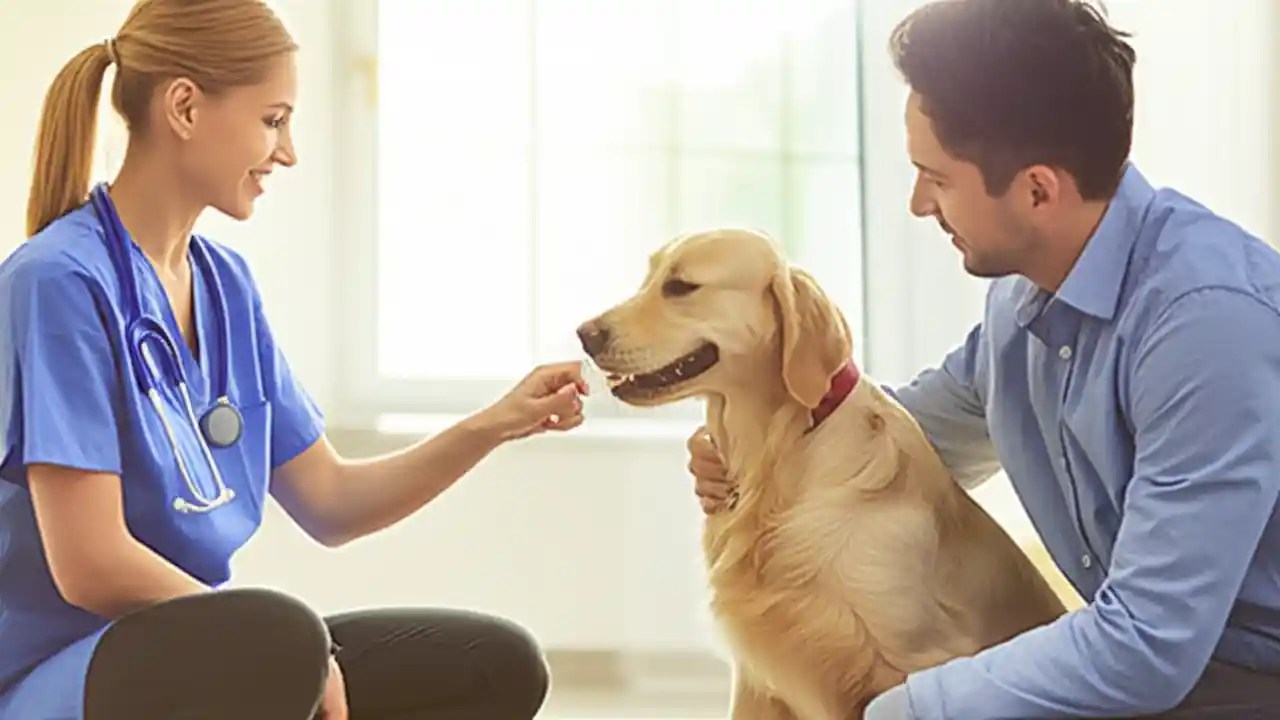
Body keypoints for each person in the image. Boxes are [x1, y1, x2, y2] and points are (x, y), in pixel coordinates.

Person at [688, 0, 1280, 718]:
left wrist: (902, 710)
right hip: (1171, 669)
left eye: (936, 178)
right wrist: (764, 441)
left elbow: (1149, 645)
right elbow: (905, 437)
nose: (915, 203)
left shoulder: (1205, 325)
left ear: (1037, 189)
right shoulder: (1024, 300)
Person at [0, 1, 589, 718]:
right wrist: (302, 654)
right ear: (184, 107)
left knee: (492, 663)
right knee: (279, 639)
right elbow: (90, 564)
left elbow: (332, 502)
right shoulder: (58, 280)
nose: (288, 151)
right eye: (273, 120)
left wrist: (496, 423)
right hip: (67, 676)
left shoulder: (225, 286)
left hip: (210, 648)